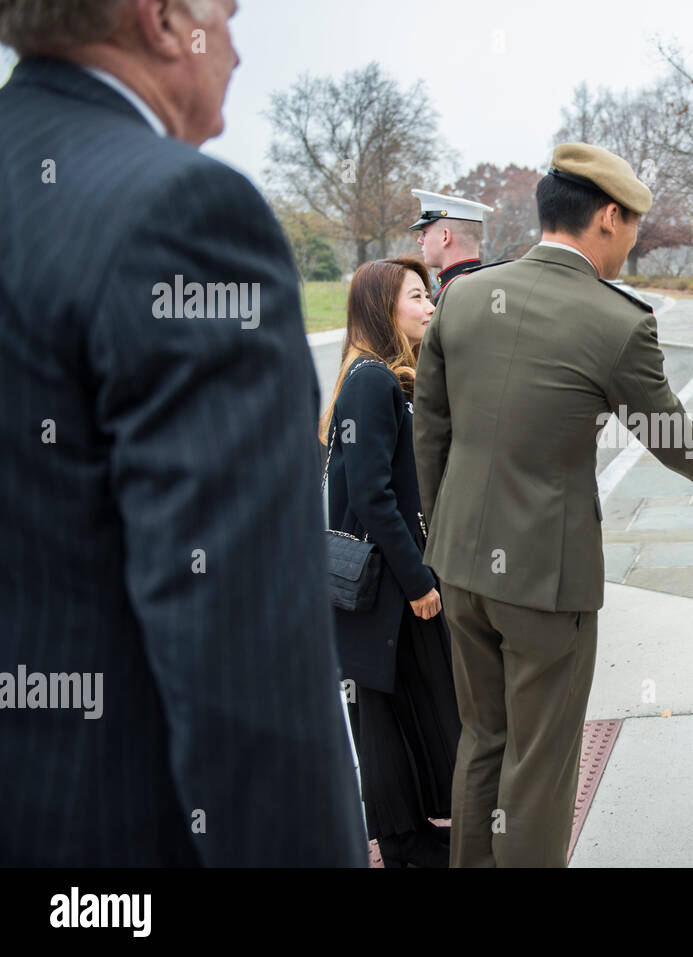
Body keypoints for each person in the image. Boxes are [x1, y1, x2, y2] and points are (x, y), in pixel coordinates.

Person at [0, 0, 365, 865]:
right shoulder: (182, 217)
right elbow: (249, 679)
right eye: (225, 13)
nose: (237, 44)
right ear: (163, 20)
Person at [413, 142, 693, 867]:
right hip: (545, 577)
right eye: (632, 225)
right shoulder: (615, 319)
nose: (634, 240)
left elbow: (430, 433)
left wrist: (442, 537)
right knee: (540, 759)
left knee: (483, 740)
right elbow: (665, 431)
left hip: (461, 564)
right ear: (606, 216)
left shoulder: (463, 295)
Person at [321, 256, 461, 868]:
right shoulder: (372, 380)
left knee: (400, 701)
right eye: (416, 296)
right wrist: (418, 580)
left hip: (380, 579)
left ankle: (413, 831)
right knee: (379, 710)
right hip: (382, 581)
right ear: (384, 308)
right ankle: (402, 845)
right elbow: (374, 496)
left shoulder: (375, 377)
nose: (430, 304)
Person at [410, 189, 493, 304]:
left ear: (445, 236)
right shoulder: (496, 289)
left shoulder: (445, 301)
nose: (420, 240)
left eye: (425, 233)